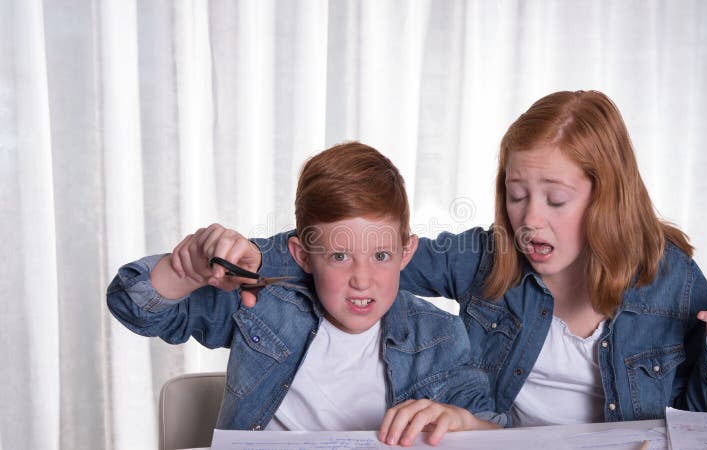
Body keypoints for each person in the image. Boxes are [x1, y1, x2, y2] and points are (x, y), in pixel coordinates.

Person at [262, 91, 707, 444]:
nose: (530, 220)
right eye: (517, 195)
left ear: (605, 198)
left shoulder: (671, 279)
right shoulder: (486, 257)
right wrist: (238, 257)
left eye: (556, 200)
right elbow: (361, 247)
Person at [106, 142, 503, 444]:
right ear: (303, 256)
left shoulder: (439, 336)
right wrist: (187, 268)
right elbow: (134, 305)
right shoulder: (263, 306)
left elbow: (492, 430)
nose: (361, 279)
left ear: (406, 253)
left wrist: (465, 422)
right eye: (339, 256)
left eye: (380, 255)